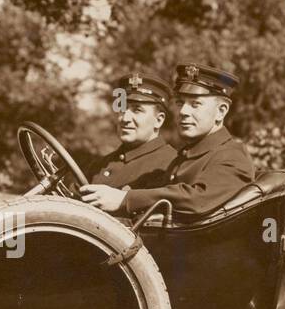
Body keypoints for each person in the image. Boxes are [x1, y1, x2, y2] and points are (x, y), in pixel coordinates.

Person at [81, 63, 254, 218]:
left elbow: (197, 200)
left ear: (221, 111)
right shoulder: (186, 157)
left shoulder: (231, 155)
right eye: (180, 103)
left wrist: (126, 199)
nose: (184, 111)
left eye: (195, 104)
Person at [86, 72, 176, 190]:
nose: (125, 118)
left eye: (137, 110)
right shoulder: (99, 165)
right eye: (122, 109)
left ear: (158, 120)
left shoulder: (172, 165)